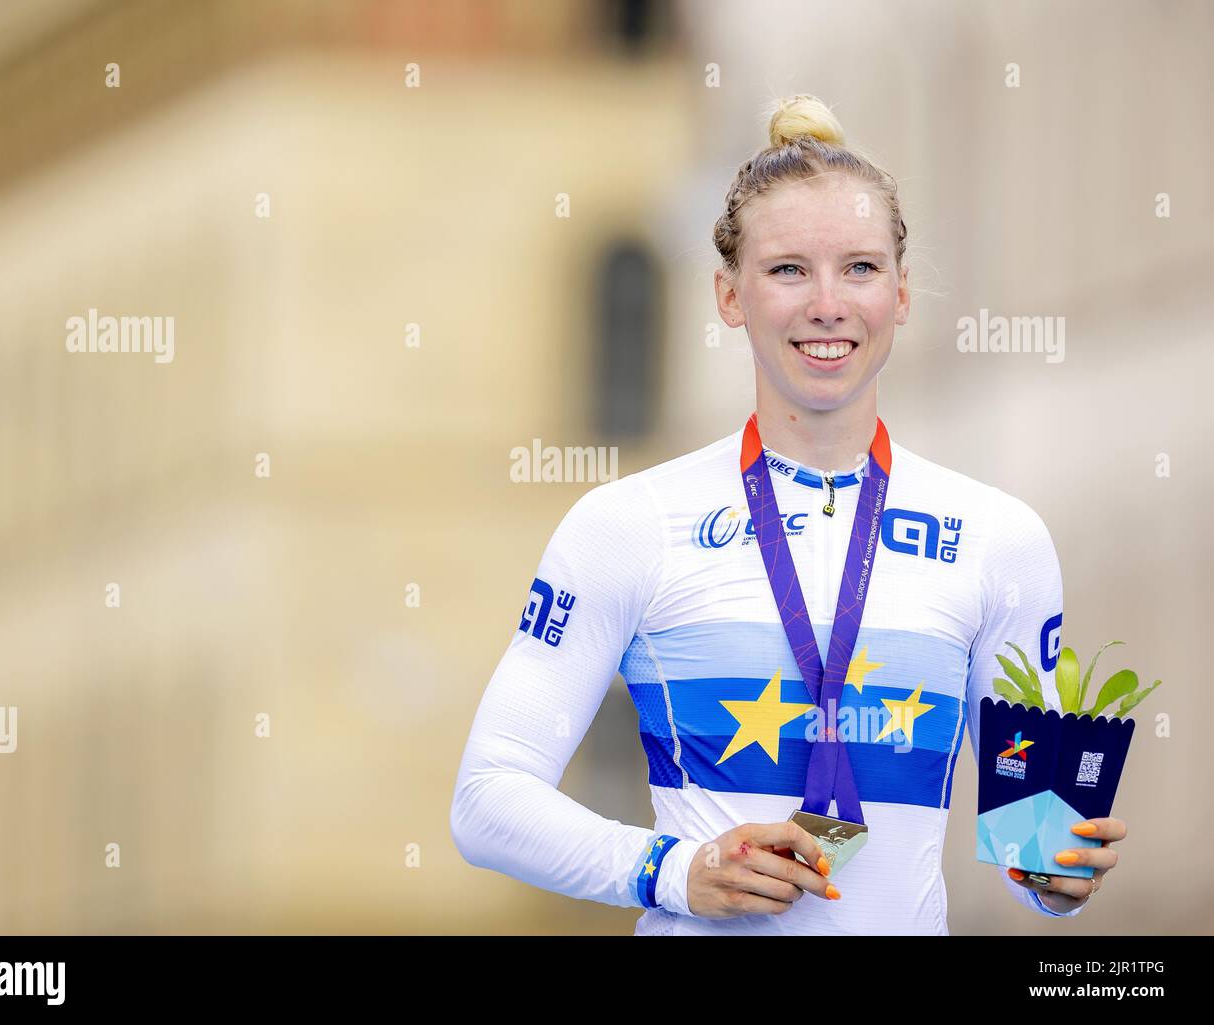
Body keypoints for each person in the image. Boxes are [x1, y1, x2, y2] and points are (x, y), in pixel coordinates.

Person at [450, 93, 1124, 935]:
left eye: (861, 268)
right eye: (788, 269)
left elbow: (1034, 841)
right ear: (730, 295)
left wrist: (1057, 872)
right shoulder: (627, 523)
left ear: (903, 294)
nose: (827, 303)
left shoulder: (998, 538)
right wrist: (672, 870)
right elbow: (487, 798)